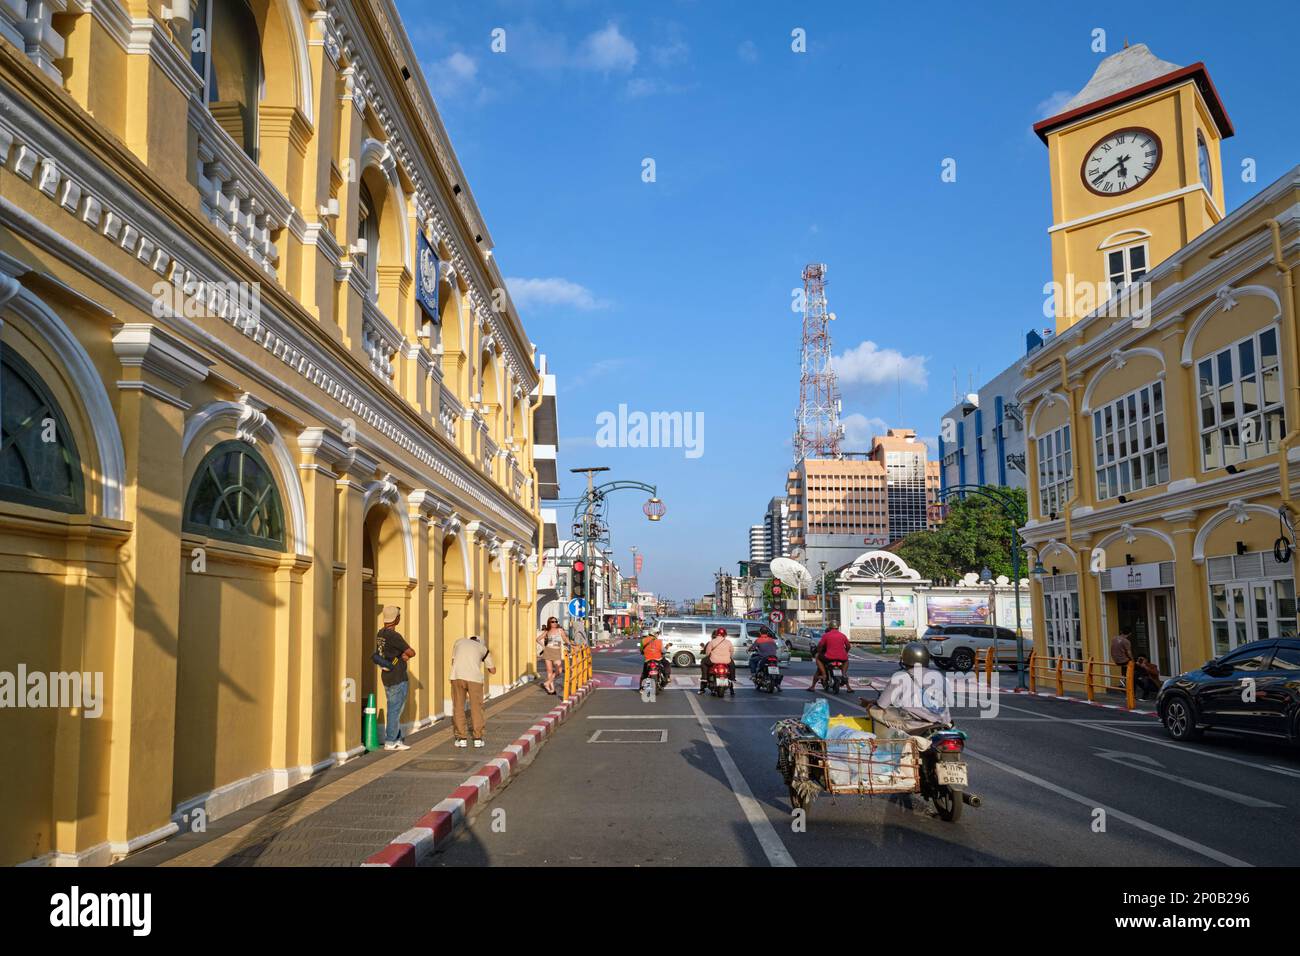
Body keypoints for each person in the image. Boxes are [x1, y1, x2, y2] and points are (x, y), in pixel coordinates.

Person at [858, 641, 952, 733]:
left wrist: (870, 704)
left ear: (905, 658)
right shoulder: (939, 675)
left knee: (874, 710)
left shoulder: (900, 677)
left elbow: (882, 704)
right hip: (943, 721)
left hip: (918, 725)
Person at [376, 606, 415, 751]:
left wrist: (401, 655)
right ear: (395, 619)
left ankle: (396, 739)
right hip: (397, 677)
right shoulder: (394, 636)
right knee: (395, 709)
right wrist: (406, 655)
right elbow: (411, 652)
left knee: (393, 707)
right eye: (399, 616)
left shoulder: (380, 634)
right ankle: (391, 740)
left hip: (386, 675)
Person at [450, 633, 496, 748]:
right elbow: (492, 670)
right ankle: (478, 739)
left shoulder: (459, 641)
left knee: (458, 707)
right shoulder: (483, 649)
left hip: (457, 676)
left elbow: (453, 662)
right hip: (474, 679)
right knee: (476, 708)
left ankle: (461, 739)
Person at [812, 625, 851, 691]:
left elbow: (820, 646)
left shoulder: (826, 636)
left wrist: (818, 651)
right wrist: (845, 652)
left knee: (818, 660)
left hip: (828, 658)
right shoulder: (842, 635)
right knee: (846, 661)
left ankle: (821, 678)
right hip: (841, 658)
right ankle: (848, 685)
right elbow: (848, 646)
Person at [699, 626, 736, 695]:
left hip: (713, 661)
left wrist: (710, 655)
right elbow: (732, 651)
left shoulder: (712, 641)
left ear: (716, 634)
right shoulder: (728, 642)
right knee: (732, 665)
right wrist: (728, 657)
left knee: (703, 662)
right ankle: (733, 678)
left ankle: (704, 677)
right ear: (725, 634)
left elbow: (707, 652)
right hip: (726, 661)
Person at [537, 617, 569, 695]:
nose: (554, 623)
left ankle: (547, 683)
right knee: (549, 671)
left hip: (556, 652)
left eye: (556, 621)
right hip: (548, 651)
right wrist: (544, 647)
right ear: (549, 623)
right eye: (552, 622)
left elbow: (564, 638)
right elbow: (538, 639)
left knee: (559, 670)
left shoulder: (560, 630)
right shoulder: (547, 631)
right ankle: (552, 689)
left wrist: (570, 643)